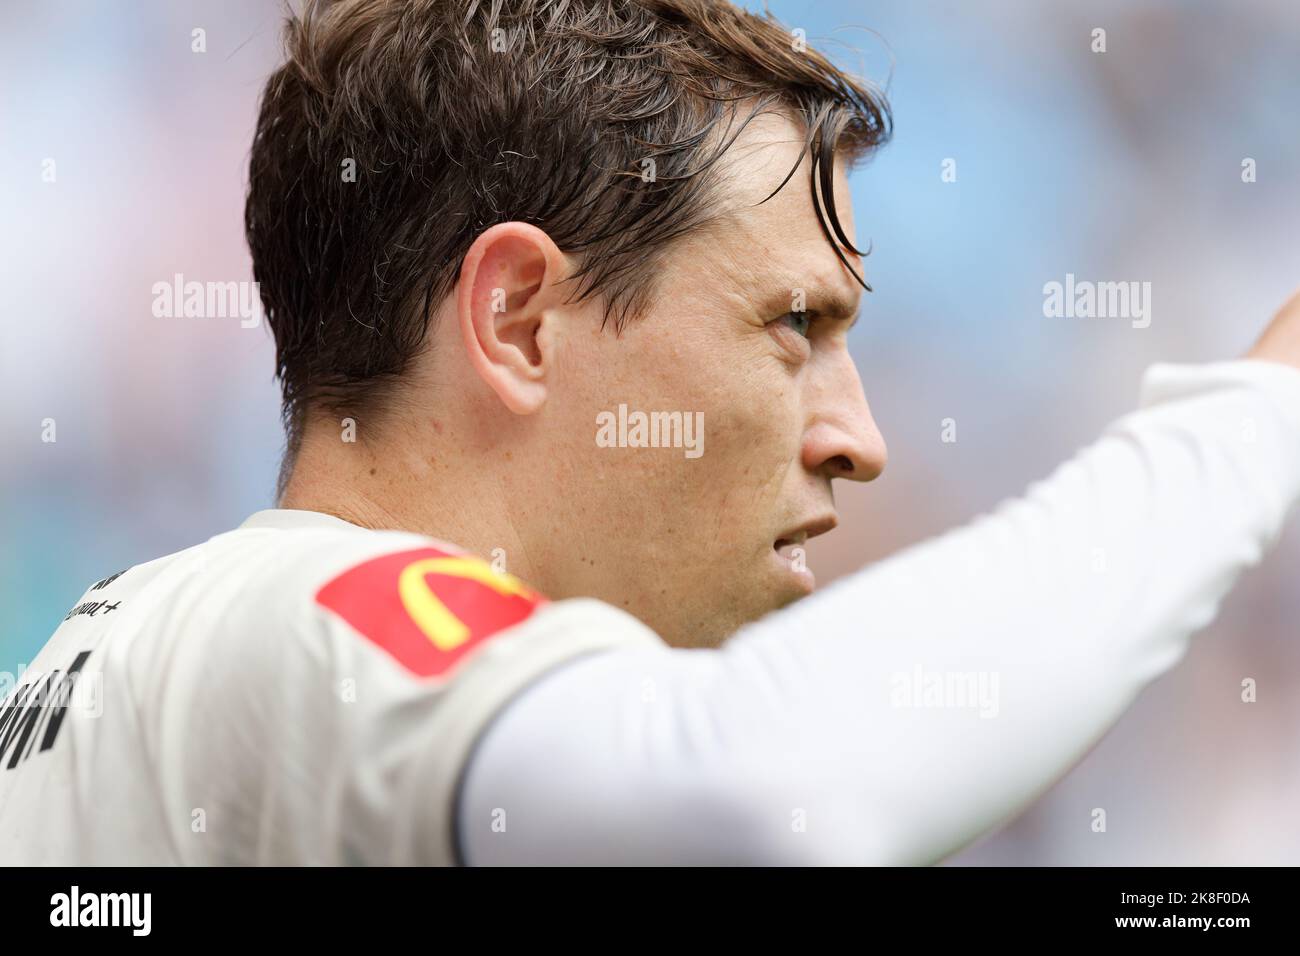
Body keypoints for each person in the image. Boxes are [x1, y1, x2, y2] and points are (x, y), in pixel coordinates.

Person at [3, 0, 1300, 865]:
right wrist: (1252, 420)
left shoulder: (138, 658)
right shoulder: (306, 617)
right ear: (518, 321)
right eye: (795, 325)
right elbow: (754, 797)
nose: (859, 440)